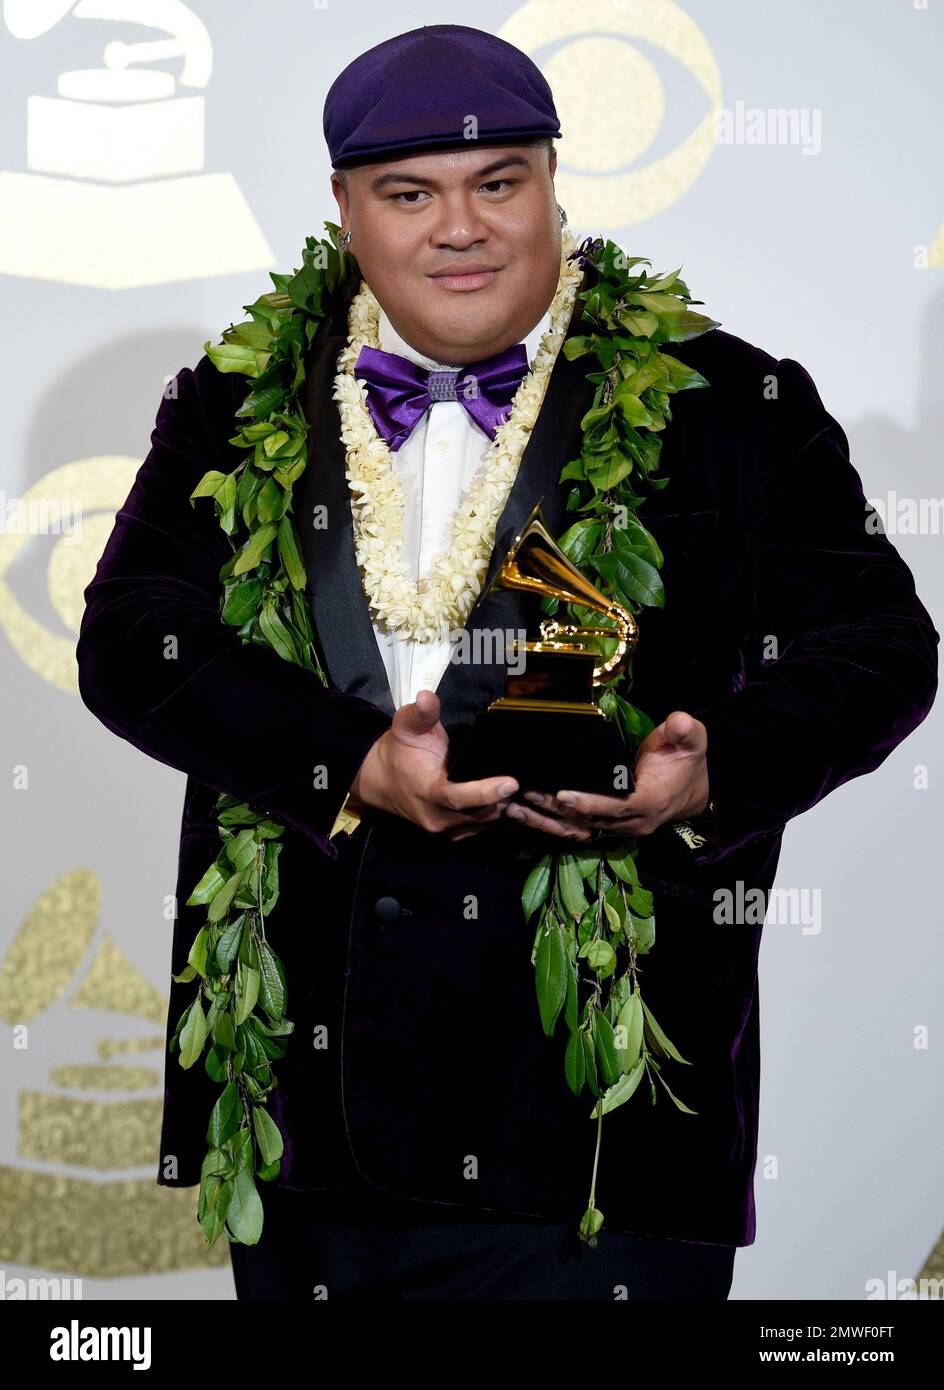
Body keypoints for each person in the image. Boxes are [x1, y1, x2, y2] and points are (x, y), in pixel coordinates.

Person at [76, 24, 939, 1301]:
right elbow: (132, 644)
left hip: (601, 1137)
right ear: (344, 210)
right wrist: (347, 762)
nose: (460, 228)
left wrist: (719, 772)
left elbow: (882, 645)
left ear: (550, 180)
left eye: (498, 184)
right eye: (409, 193)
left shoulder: (727, 401)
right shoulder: (234, 400)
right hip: (320, 1141)